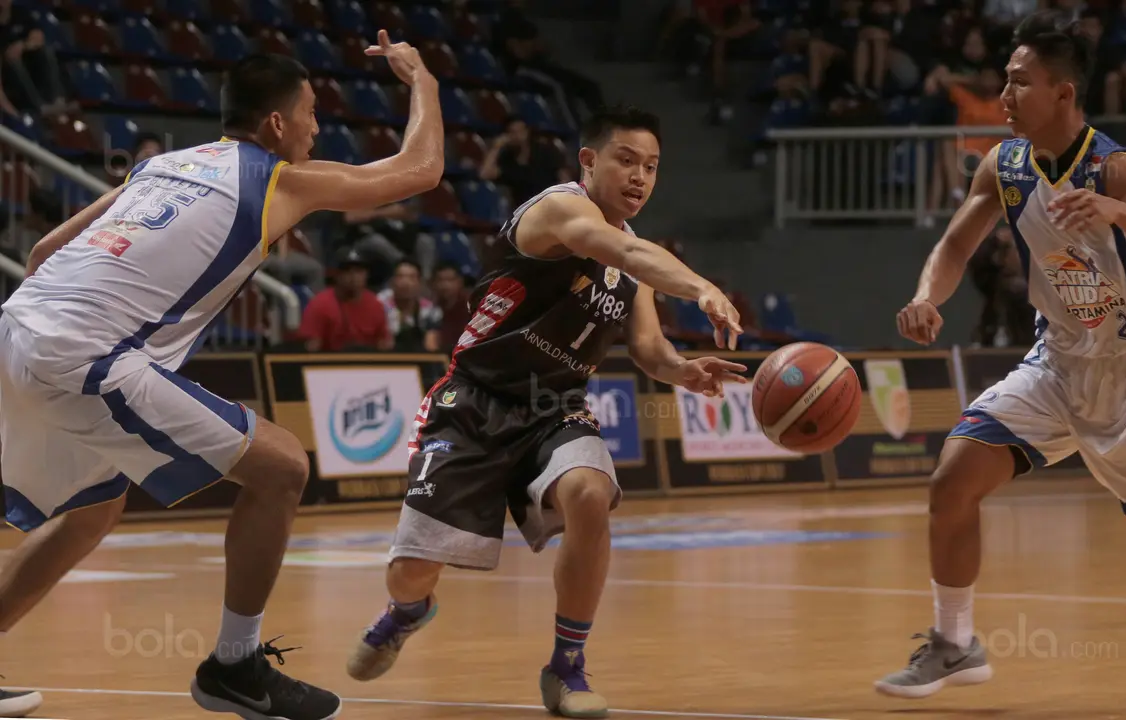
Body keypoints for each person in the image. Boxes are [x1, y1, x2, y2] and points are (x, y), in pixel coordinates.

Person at [0, 32, 444, 720]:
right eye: (311, 113)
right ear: (276, 124)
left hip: (17, 325)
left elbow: (42, 251)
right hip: (85, 353)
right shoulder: (279, 178)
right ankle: (235, 666)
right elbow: (420, 169)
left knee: (94, 508)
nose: (316, 127)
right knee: (282, 468)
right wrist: (423, 80)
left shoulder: (160, 165)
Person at [879, 11, 1126, 713]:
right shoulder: (1002, 166)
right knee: (951, 482)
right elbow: (954, 247)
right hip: (1056, 366)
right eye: (1004, 80)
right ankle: (954, 643)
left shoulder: (1116, 170)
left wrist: (1116, 211)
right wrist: (925, 297)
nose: (1004, 95)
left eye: (1019, 82)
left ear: (1063, 93)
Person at [344, 105, 747, 719]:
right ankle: (408, 611)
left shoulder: (633, 254)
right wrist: (702, 287)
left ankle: (566, 667)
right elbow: (612, 247)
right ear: (589, 160)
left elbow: (646, 347)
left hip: (555, 409)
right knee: (411, 573)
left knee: (590, 493)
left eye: (653, 167)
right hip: (474, 403)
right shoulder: (559, 210)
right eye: (627, 160)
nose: (640, 177)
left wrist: (680, 370)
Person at [297, 248, 393, 351]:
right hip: (330, 364)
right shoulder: (320, 304)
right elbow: (310, 348)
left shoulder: (375, 305)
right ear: (337, 275)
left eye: (358, 271)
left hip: (366, 364)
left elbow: (384, 344)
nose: (353, 277)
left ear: (366, 275)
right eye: (347, 271)